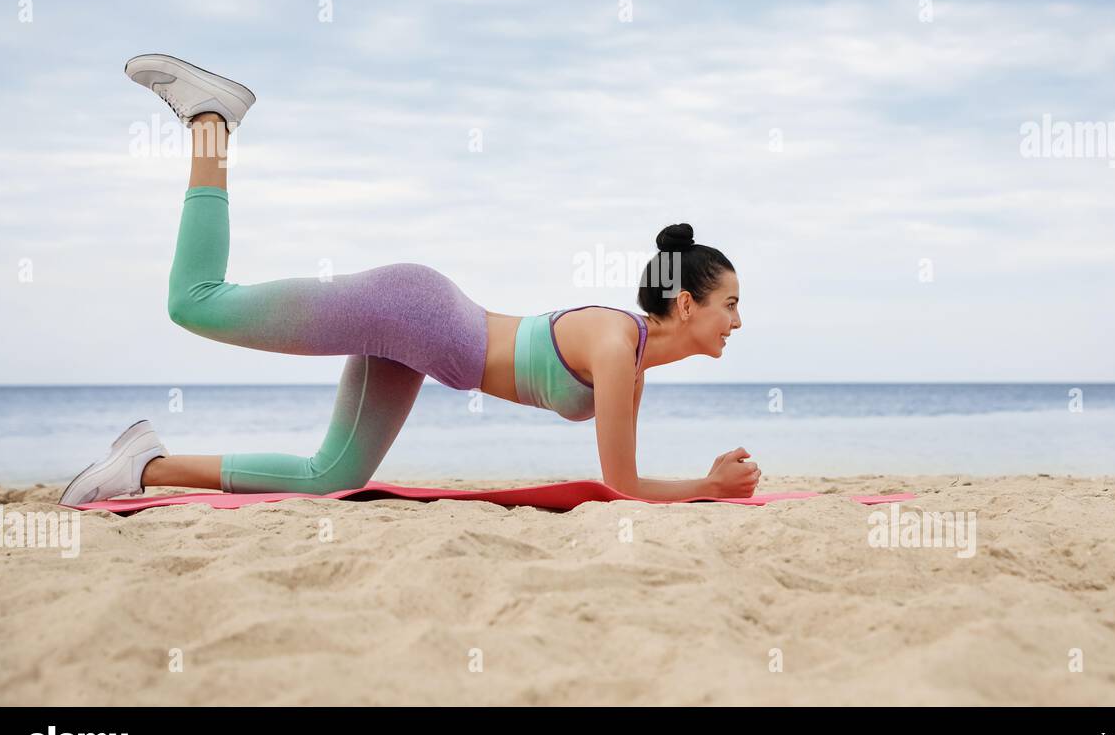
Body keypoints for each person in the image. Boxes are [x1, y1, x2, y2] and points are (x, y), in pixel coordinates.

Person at [59, 55, 758, 506]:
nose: (736, 319)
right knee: (197, 304)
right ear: (686, 300)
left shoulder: (630, 366)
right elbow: (622, 487)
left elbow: (623, 484)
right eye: (729, 303)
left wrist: (708, 486)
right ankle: (211, 120)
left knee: (331, 478)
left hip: (421, 341)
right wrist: (711, 486)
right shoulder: (614, 343)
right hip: (415, 316)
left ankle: (143, 468)